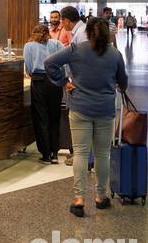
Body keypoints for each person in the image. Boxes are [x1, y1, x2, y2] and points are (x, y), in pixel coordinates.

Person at [44, 18, 128, 218]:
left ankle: (79, 199)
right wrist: (116, 84)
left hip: (80, 108)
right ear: (108, 34)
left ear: (88, 33)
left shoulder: (76, 50)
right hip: (105, 110)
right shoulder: (115, 54)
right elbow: (123, 82)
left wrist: (65, 81)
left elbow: (50, 63)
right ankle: (101, 197)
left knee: (81, 154)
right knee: (102, 154)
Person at [24, 22, 62, 164]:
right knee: (55, 116)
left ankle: (45, 154)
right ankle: (55, 154)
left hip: (39, 81)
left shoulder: (29, 46)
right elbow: (64, 61)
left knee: (41, 118)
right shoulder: (57, 44)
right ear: (48, 33)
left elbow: (27, 68)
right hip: (55, 81)